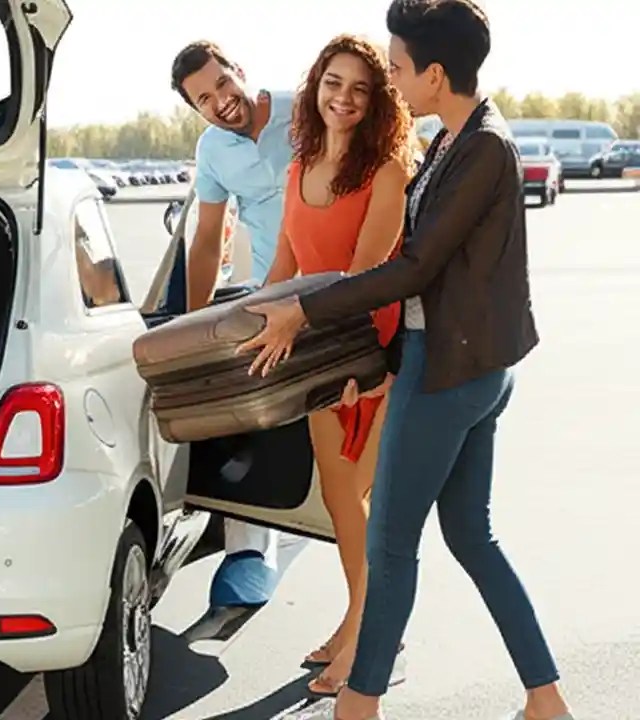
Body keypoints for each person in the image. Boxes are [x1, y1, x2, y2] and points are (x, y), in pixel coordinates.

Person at [241, 2, 574, 719]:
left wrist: (305, 311)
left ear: (434, 72)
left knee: (390, 546)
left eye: (394, 69)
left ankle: (358, 704)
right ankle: (545, 699)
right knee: (472, 539)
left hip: (448, 372)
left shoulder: (483, 147)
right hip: (466, 368)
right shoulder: (456, 140)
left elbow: (413, 268)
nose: (391, 81)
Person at [262, 35, 414, 695]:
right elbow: (283, 271)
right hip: (316, 358)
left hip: (369, 356)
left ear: (376, 100)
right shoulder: (297, 170)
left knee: (360, 501)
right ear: (315, 85)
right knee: (336, 500)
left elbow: (368, 281)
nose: (343, 98)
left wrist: (367, 365)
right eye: (333, 83)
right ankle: (358, 618)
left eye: (358, 88)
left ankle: (368, 636)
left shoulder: (387, 171)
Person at [169, 40, 299, 627]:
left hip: (338, 285)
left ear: (240, 72)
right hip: (268, 294)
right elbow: (206, 236)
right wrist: (194, 325)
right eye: (204, 98)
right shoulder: (212, 150)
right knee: (242, 408)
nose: (220, 101)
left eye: (223, 84)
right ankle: (248, 549)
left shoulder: (305, 108)